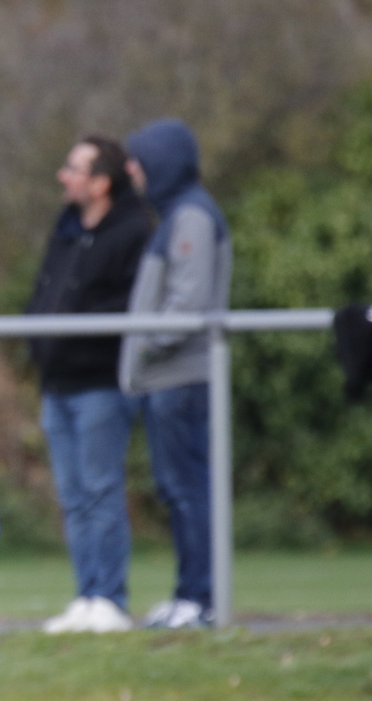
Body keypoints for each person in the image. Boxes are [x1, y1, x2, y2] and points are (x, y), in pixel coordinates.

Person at [27, 134, 153, 634]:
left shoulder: (134, 232)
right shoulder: (66, 227)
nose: (64, 176)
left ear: (101, 182)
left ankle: (110, 599)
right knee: (72, 495)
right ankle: (86, 595)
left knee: (101, 490)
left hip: (101, 382)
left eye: (74, 168)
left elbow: (129, 305)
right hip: (56, 382)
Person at [121, 118, 233, 629]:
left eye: (139, 161)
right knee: (177, 490)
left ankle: (201, 598)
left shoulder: (190, 216)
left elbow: (187, 304)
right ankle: (190, 593)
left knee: (189, 490)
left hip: (182, 380)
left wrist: (143, 350)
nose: (133, 172)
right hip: (168, 381)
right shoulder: (176, 216)